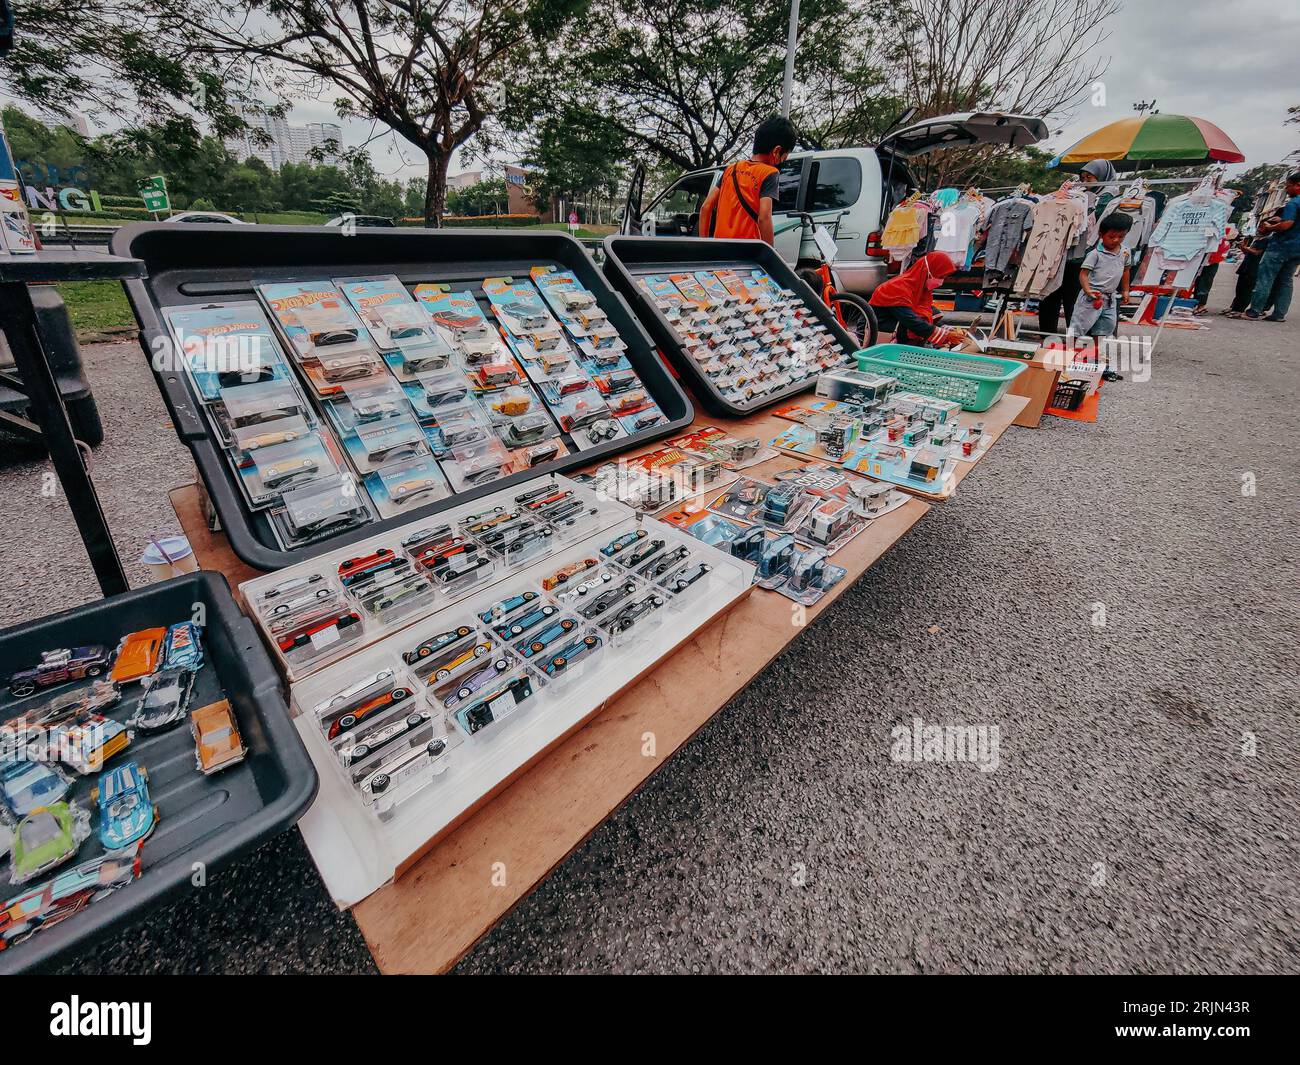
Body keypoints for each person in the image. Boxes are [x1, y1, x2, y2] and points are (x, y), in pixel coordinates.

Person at [1037, 158, 1117, 334]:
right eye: (1083, 177)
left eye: (1090, 178)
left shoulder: (1112, 199)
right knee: (1050, 295)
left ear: (1103, 176)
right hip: (1061, 253)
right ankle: (1046, 335)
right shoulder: (1075, 194)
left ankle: (1075, 338)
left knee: (1075, 300)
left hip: (1088, 258)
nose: (1085, 181)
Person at [697, 116, 796, 245]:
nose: (783, 160)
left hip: (719, 249)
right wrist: (770, 256)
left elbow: (706, 207)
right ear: (777, 151)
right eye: (784, 156)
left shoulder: (730, 170)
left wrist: (703, 244)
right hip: (746, 253)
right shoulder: (770, 173)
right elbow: (764, 218)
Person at [869, 251, 978, 350]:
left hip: (901, 333)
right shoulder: (896, 288)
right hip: (882, 334)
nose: (941, 281)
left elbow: (928, 314)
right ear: (928, 271)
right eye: (940, 276)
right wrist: (945, 335)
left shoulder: (921, 289)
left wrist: (950, 330)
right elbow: (910, 320)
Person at [1242, 170, 1300, 323]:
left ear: (1297, 186)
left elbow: (1287, 224)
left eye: (1288, 187)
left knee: (1266, 278)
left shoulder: (1294, 203)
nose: (1286, 190)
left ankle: (1254, 311)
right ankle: (1279, 313)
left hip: (1282, 246)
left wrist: (1269, 227)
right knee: (1286, 280)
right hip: (1297, 249)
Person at [1069, 212, 1132, 339]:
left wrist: (1126, 290)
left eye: (1121, 236)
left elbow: (1125, 271)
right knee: (1079, 325)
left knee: (1106, 326)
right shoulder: (1095, 254)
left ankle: (1099, 353)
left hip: (1110, 298)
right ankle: (1070, 350)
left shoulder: (1125, 252)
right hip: (1091, 296)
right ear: (1101, 235)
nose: (1116, 240)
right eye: (1112, 236)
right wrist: (1087, 290)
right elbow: (1083, 274)